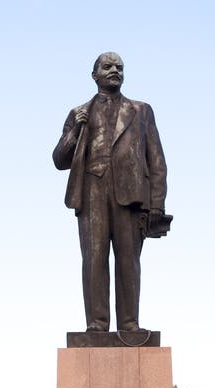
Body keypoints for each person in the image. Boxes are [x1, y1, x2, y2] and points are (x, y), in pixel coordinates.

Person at [53, 52, 168, 333]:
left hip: (131, 196)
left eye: (119, 67)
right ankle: (97, 324)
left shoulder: (141, 111)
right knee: (94, 259)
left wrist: (157, 204)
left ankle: (130, 323)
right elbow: (59, 160)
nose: (114, 70)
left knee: (129, 261)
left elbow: (157, 161)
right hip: (92, 192)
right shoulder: (78, 113)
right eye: (107, 66)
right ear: (95, 75)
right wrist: (75, 130)